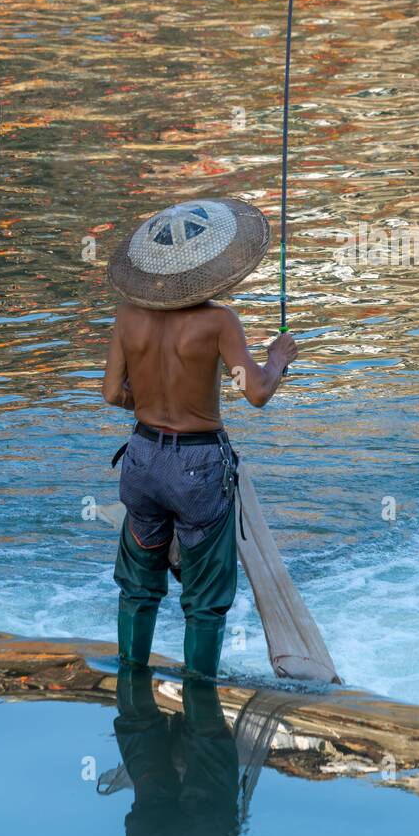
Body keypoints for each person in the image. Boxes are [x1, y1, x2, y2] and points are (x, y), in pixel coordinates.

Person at [102, 198, 298, 678]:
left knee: (138, 587)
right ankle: (200, 697)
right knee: (205, 600)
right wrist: (278, 359)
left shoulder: (127, 316)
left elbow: (111, 393)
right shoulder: (218, 322)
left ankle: (131, 680)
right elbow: (253, 393)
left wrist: (149, 403)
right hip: (197, 466)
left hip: (142, 457)